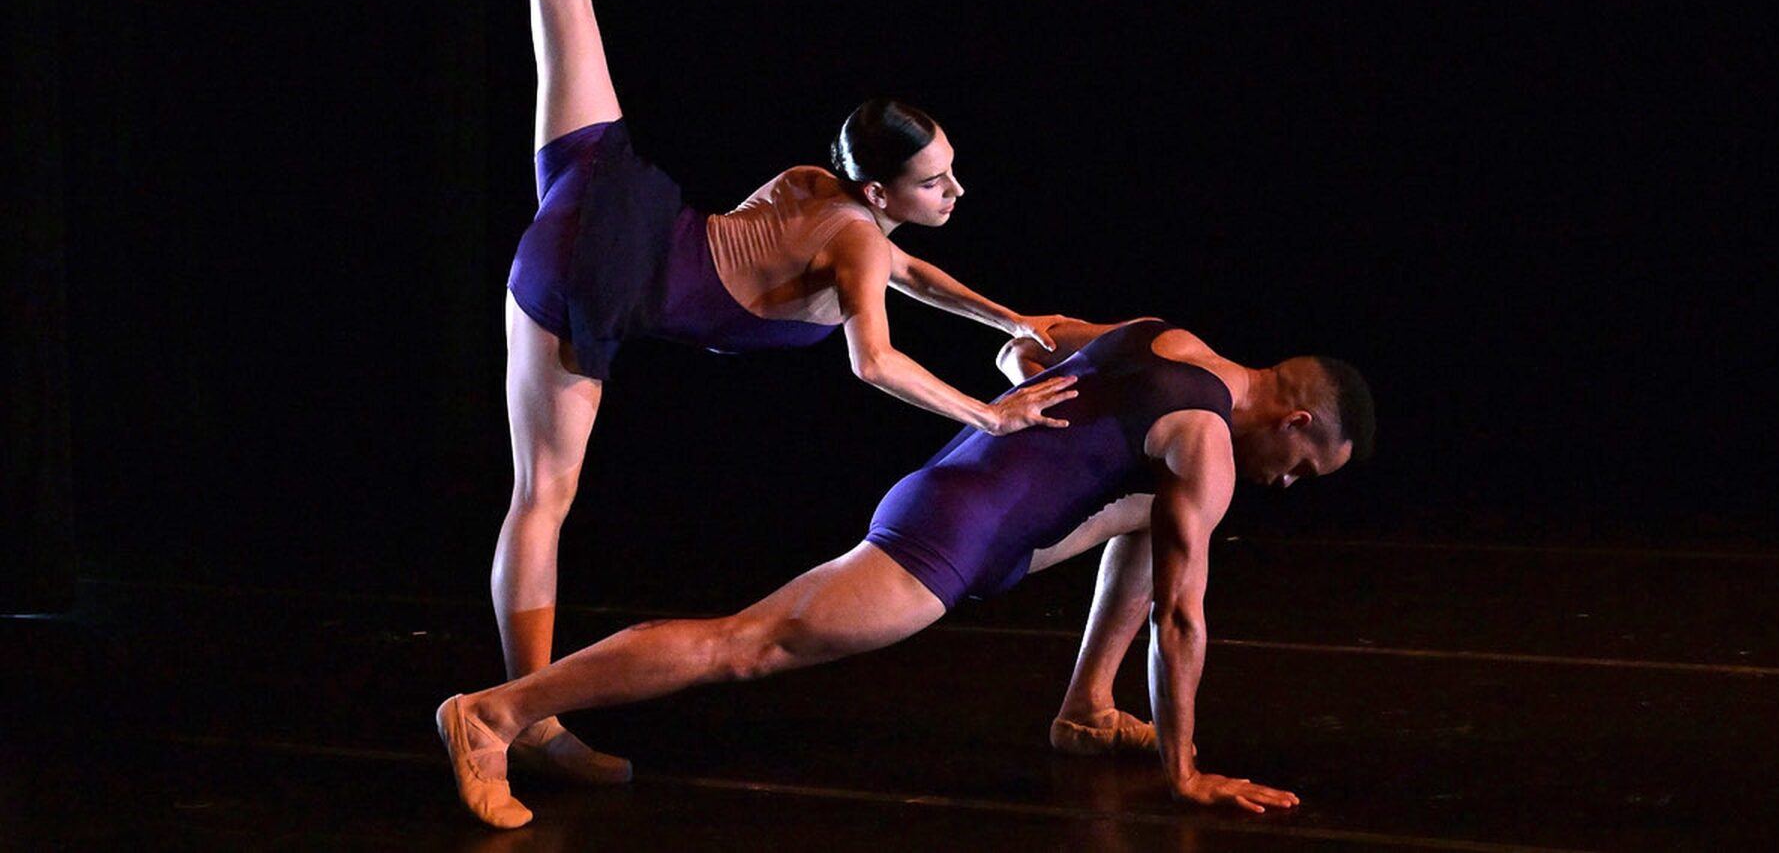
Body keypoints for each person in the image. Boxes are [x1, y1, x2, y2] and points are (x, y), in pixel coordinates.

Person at [498, 0, 1078, 786]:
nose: (955, 191)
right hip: (606, 276)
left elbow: (920, 278)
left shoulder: (829, 199)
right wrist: (990, 417)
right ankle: (523, 721)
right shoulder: (857, 239)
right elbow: (874, 356)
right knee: (545, 495)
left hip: (600, 182)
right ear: (878, 190)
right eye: (936, 181)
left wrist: (1014, 321)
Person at [436, 316, 1377, 827]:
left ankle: (1086, 709)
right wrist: (1187, 772)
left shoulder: (1170, 338)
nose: (1287, 483)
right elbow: (1183, 619)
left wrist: (1014, 356)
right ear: (1297, 420)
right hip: (945, 539)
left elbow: (1036, 335)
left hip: (960, 490)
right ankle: (494, 713)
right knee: (748, 645)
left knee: (1147, 511)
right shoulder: (1210, 447)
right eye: (1302, 466)